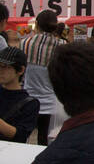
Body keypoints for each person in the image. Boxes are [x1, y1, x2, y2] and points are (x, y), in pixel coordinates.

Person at [21, 10, 70, 140]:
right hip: (52, 102)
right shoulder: (63, 47)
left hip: (28, 99)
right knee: (44, 139)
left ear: (36, 24)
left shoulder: (25, 43)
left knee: (23, 138)